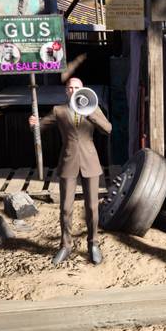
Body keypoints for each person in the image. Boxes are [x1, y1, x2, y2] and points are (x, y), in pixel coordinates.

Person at [29, 78, 112, 265]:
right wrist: (34, 124)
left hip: (90, 162)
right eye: (70, 88)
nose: (73, 90)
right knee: (66, 208)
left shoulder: (93, 107)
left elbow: (108, 129)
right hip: (68, 162)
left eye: (77, 87)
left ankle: (93, 244)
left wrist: (89, 113)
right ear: (66, 91)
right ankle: (65, 246)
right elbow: (40, 127)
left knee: (92, 207)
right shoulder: (59, 110)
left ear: (83, 89)